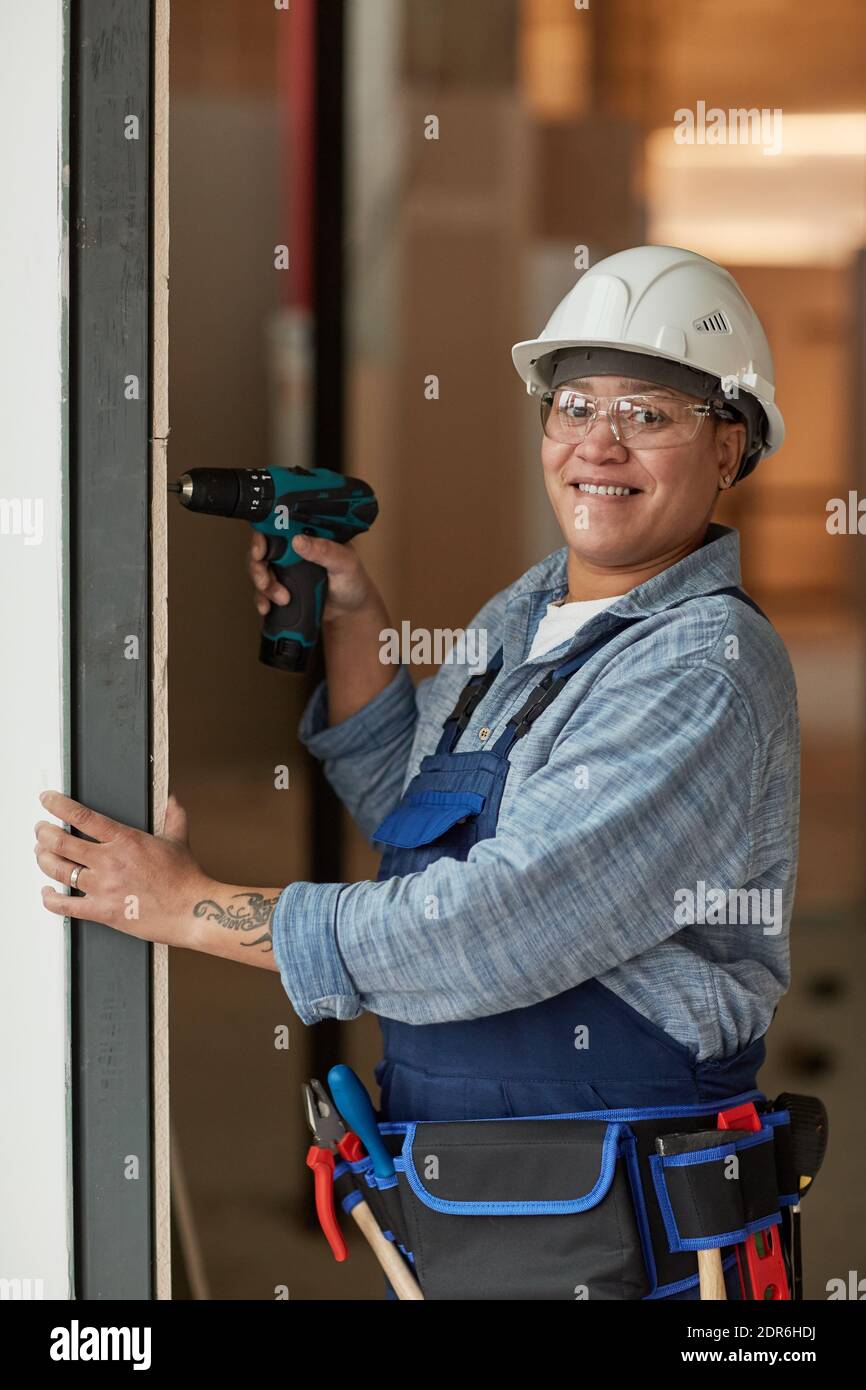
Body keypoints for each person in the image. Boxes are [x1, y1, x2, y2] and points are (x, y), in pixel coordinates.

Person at [35, 245, 799, 1301]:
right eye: (573, 405)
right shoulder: (525, 612)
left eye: (650, 413)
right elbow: (415, 810)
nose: (597, 443)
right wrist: (354, 623)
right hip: (475, 1213)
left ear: (728, 446)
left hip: (638, 1239)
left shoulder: (701, 666)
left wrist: (193, 908)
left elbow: (500, 925)